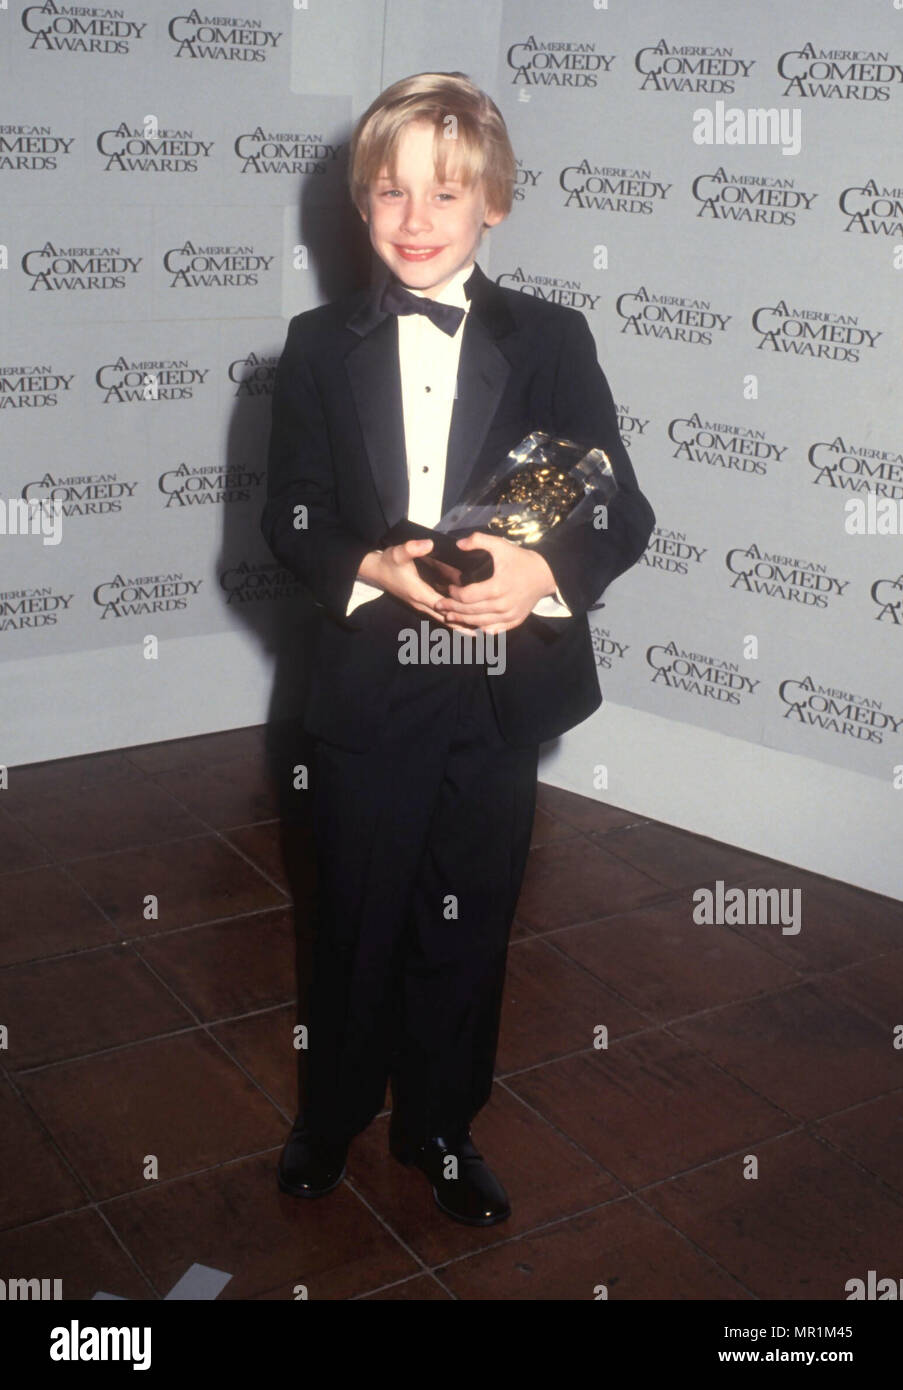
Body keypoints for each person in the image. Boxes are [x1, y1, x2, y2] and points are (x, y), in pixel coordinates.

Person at [261, 71, 655, 1227]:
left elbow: (617, 511)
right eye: (390, 193)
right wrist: (372, 565)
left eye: (446, 193)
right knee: (351, 917)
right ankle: (329, 1115)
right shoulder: (317, 343)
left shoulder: (552, 339)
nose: (417, 219)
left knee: (467, 917)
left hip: (498, 692)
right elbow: (287, 515)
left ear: (497, 204)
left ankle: (439, 1127)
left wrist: (542, 575)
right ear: (360, 204)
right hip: (367, 687)